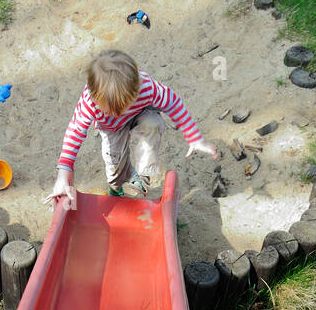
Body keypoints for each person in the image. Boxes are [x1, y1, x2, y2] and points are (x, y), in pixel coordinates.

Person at [46, 50, 218, 208]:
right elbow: (75, 131)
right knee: (114, 164)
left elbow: (174, 103)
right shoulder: (89, 101)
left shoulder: (147, 88)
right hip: (111, 128)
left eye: (122, 107)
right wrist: (63, 173)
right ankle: (117, 188)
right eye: (109, 110)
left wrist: (194, 138)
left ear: (135, 92)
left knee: (153, 123)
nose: (116, 113)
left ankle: (142, 175)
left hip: (140, 115)